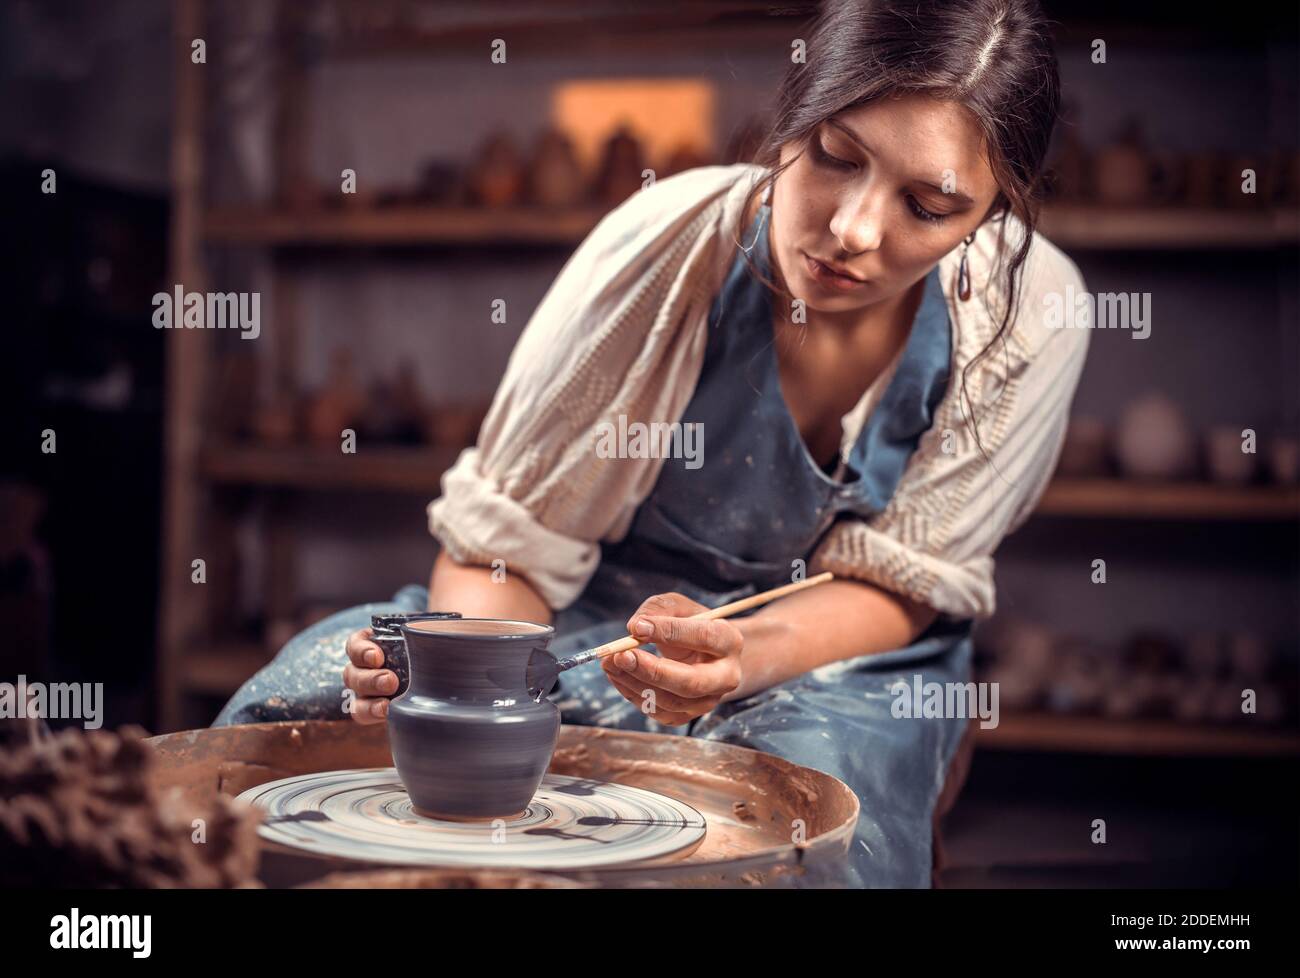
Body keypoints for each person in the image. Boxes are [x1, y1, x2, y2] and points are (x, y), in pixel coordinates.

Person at [216, 0, 1089, 888]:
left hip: (849, 654)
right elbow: (505, 543)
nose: (856, 231)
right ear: (792, 115)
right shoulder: (660, 252)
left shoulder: (1023, 318)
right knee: (284, 718)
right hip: (590, 622)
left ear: (990, 211)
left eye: (930, 205)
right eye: (836, 156)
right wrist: (464, 672)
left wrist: (743, 658)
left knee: (800, 833)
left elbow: (899, 582)